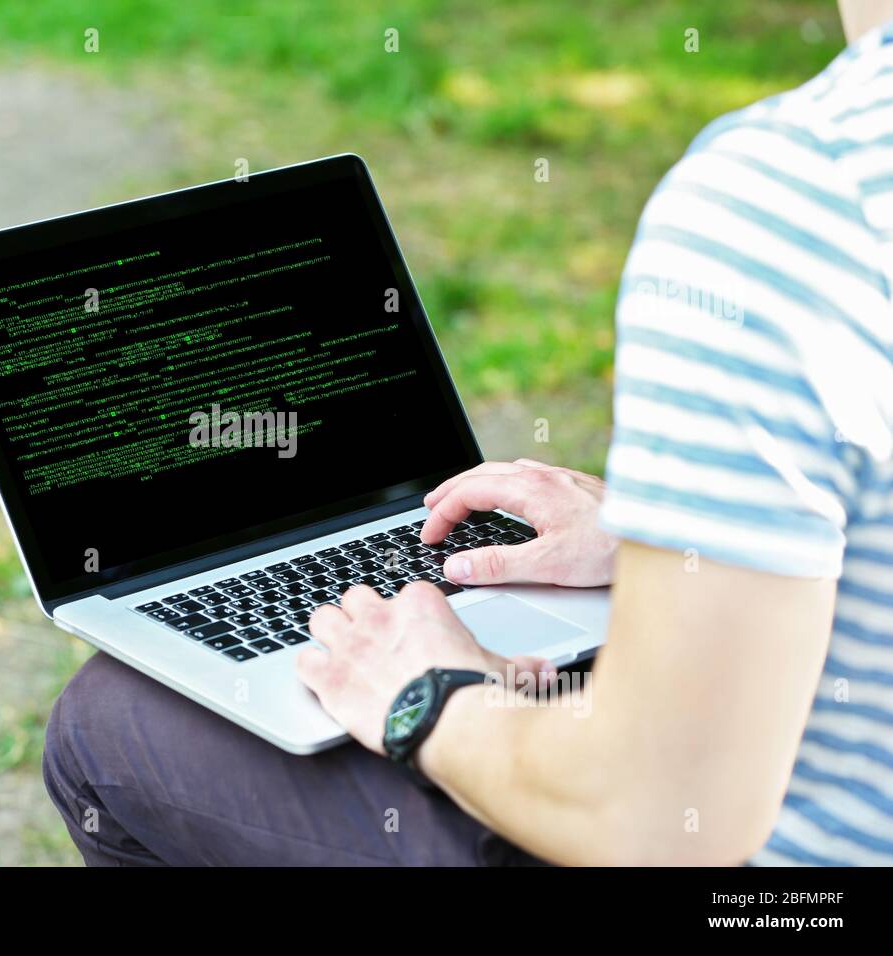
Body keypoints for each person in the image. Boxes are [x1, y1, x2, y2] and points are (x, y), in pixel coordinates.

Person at [43, 0, 893, 866]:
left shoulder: (786, 201)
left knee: (106, 724)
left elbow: (649, 820)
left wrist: (430, 698)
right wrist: (677, 546)